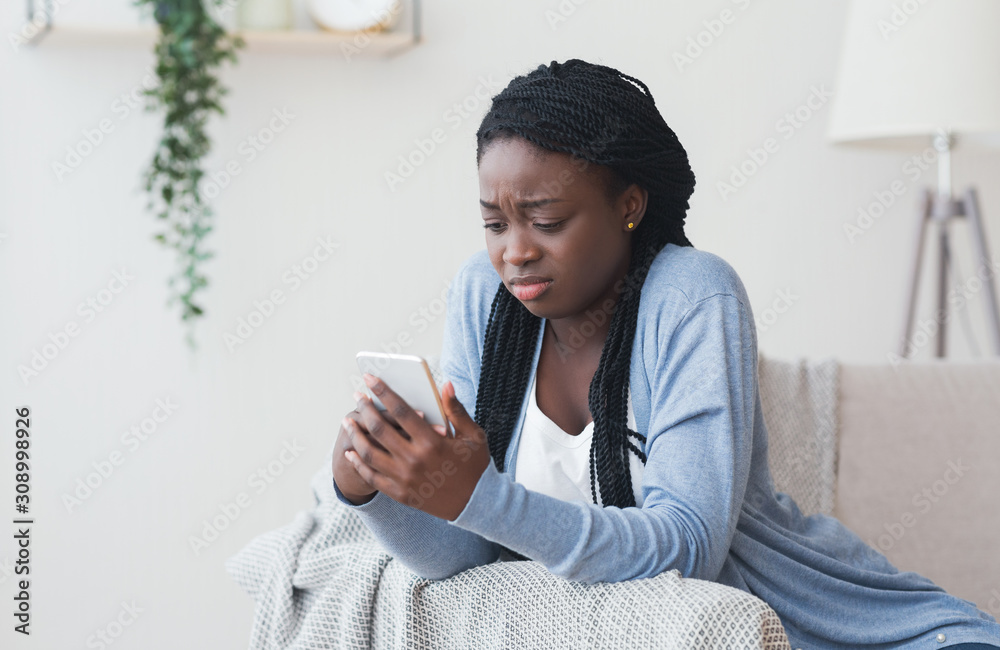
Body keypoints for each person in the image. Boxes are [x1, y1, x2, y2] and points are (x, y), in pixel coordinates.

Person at [331, 58, 1000, 650]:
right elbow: (467, 552)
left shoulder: (693, 296)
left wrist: (477, 494)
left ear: (628, 205)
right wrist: (370, 489)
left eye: (547, 220)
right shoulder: (483, 296)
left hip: (804, 629)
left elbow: (689, 547)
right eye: (495, 223)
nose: (515, 251)